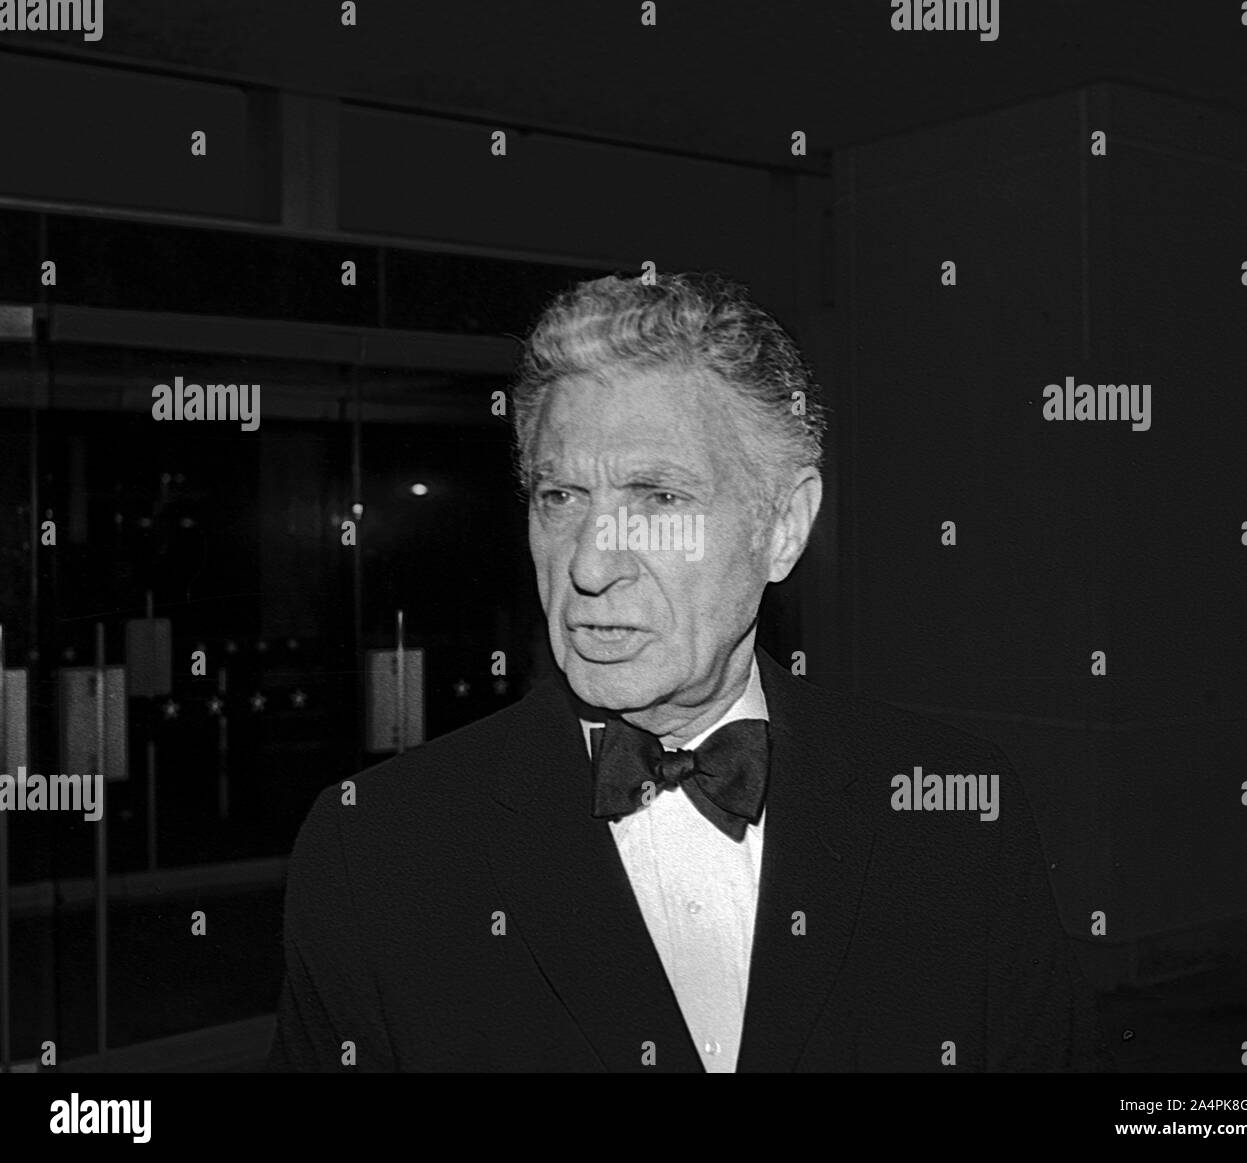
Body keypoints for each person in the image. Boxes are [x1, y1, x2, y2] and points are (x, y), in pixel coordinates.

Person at [267, 272, 1110, 1072]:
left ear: (783, 526)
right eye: (560, 497)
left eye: (659, 498)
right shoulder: (377, 854)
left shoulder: (957, 812)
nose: (591, 564)